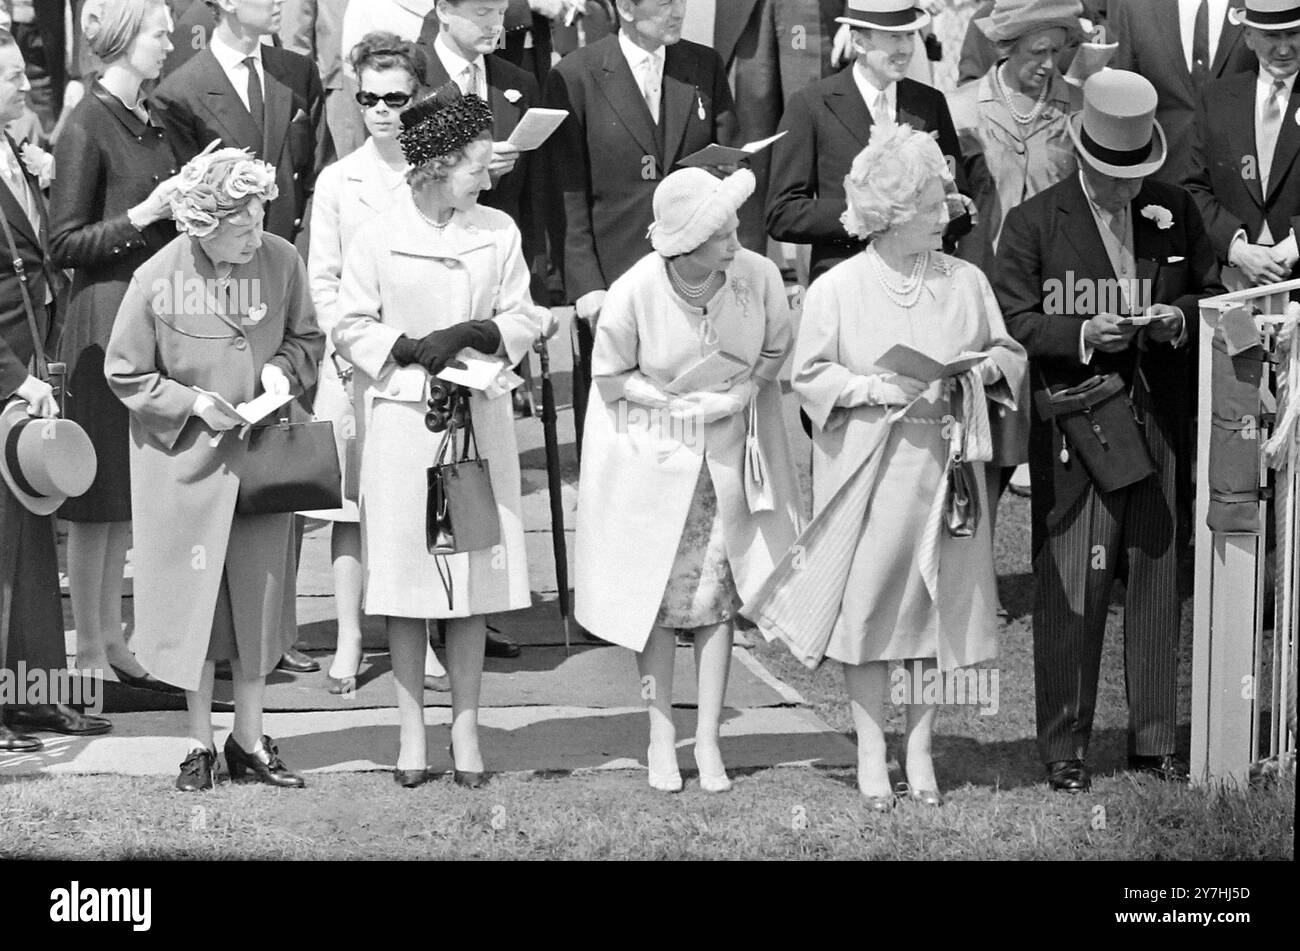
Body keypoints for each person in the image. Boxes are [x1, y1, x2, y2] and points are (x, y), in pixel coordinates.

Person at [777, 124, 1025, 810]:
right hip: (869, 469)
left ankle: (919, 749)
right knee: (869, 610)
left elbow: (1009, 353)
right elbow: (809, 377)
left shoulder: (966, 279)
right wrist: (873, 389)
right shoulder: (837, 287)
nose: (947, 212)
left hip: (946, 469)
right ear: (891, 214)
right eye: (932, 203)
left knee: (928, 610)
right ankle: (867, 749)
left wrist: (979, 371)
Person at [992, 70, 1223, 793]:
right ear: (1083, 156)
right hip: (1080, 423)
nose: (1127, 191)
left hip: (1158, 420)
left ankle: (1154, 739)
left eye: (1137, 177)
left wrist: (1177, 317)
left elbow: (1210, 289)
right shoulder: (1034, 223)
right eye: (1113, 178)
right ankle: (1065, 743)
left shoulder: (1175, 209)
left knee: (1157, 574)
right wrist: (1084, 331)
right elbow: (1015, 320)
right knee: (1074, 581)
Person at [331, 85, 551, 788]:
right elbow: (349, 320)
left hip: (476, 421)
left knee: (470, 585)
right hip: (403, 423)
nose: (486, 179)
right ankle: (410, 736)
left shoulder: (497, 231)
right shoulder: (378, 233)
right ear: (434, 165)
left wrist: (479, 334)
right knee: (404, 583)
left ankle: (466, 730)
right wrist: (406, 349)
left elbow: (523, 315)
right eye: (475, 167)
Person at [573, 167, 802, 793]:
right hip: (653, 456)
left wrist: (745, 392)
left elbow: (779, 348)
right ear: (684, 245)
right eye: (722, 234)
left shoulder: (755, 276)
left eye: (734, 230)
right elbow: (610, 377)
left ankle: (707, 740)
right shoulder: (635, 289)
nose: (735, 243)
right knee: (654, 598)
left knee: (716, 601)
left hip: (726, 458)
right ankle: (658, 733)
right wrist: (673, 405)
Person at [105, 146, 324, 791]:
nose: (258, 235)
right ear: (203, 223)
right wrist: (196, 402)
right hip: (183, 467)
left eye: (261, 218)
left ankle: (251, 740)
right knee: (192, 611)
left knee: (255, 606)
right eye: (244, 225)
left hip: (261, 462)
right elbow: (126, 372)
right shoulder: (155, 278)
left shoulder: (282, 260)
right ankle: (196, 742)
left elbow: (308, 339)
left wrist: (286, 368)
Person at [49, 0, 181, 691]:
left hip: (146, 318)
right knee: (95, 495)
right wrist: (146, 213)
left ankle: (114, 636)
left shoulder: (149, 119)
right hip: (102, 323)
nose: (169, 42)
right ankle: (89, 646)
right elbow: (63, 241)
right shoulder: (88, 124)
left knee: (125, 495)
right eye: (160, 32)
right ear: (129, 38)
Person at [544, 0, 736, 462]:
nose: (679, 12)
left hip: (695, 277)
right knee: (620, 433)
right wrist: (586, 284)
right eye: (665, 2)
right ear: (626, 8)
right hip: (615, 279)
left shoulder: (703, 65)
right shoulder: (576, 76)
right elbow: (566, 193)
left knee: (693, 426)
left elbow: (729, 161)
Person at [0, 24, 112, 753]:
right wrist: (13, 380)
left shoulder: (15, 146)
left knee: (32, 543)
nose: (23, 81)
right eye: (10, 71)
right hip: (6, 370)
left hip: (33, 366)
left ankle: (35, 693)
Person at [765, 0, 970, 284]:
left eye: (910, 35)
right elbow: (782, 214)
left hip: (922, 278)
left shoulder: (930, 103)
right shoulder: (811, 105)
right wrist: (866, 213)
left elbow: (959, 199)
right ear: (859, 41)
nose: (906, 49)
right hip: (846, 282)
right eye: (894, 37)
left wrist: (937, 215)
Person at [153, 0, 333, 254]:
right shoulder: (177, 95)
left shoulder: (299, 72)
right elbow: (185, 206)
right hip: (227, 270)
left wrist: (301, 255)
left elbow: (323, 177)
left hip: (296, 258)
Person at [1184, 0, 1300, 287]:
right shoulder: (1216, 99)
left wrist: (1294, 246)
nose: (1284, 49)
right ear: (1248, 36)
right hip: (1232, 281)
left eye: (1294, 34)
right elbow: (1192, 187)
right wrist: (1236, 248)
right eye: (1272, 36)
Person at [1110, 0, 1256, 187]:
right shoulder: (1138, 8)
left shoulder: (1258, 5)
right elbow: (1124, 101)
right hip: (1161, 182)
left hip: (1238, 183)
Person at [281, 0, 365, 160]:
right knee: (350, 167)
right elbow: (295, 38)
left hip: (393, 76)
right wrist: (308, 88)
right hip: (338, 84)